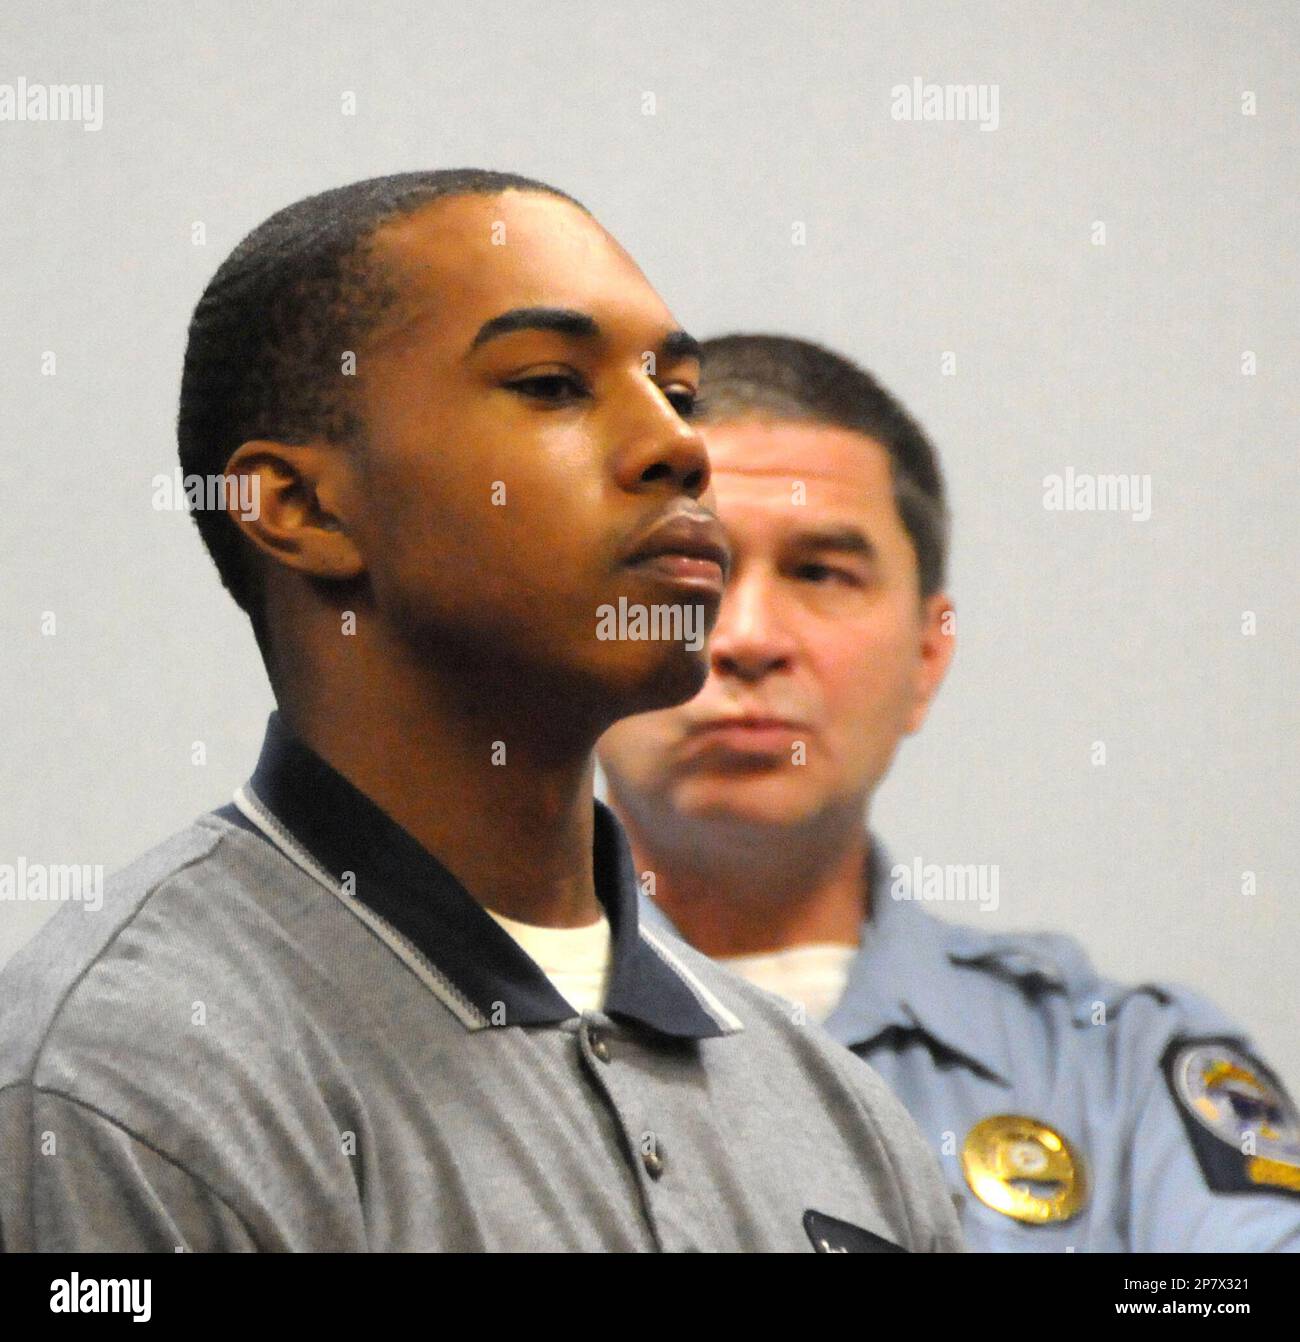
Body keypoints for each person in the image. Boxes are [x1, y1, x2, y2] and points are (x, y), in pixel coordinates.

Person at [0, 175, 963, 1253]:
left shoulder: (833, 1110)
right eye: (553, 383)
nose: (684, 449)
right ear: (302, 506)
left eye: (678, 394)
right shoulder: (128, 1074)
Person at [597, 333, 1300, 1252]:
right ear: (584, 638)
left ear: (928, 657)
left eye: (818, 572)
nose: (748, 637)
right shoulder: (431, 1041)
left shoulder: (1114, 1068)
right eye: (692, 572)